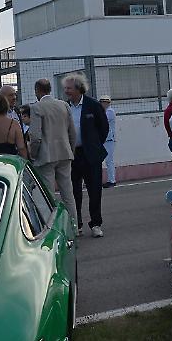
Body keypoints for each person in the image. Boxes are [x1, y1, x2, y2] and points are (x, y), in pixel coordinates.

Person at [64, 74, 110, 237]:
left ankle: (96, 224)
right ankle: (77, 224)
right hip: (72, 155)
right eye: (65, 88)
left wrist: (95, 145)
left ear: (78, 88)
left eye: (68, 88)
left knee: (94, 190)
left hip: (91, 155)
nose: (66, 91)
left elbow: (103, 128)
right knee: (73, 191)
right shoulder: (65, 107)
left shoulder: (93, 105)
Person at [28, 78, 78, 221]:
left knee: (48, 196)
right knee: (68, 194)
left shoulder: (36, 107)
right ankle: (73, 226)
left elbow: (36, 136)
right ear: (50, 89)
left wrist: (33, 154)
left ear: (37, 90)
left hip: (46, 156)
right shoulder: (63, 105)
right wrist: (71, 150)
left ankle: (52, 227)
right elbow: (72, 132)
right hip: (64, 153)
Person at [99, 96, 117, 187]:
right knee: (103, 160)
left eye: (103, 102)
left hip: (109, 140)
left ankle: (112, 180)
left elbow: (101, 121)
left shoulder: (110, 112)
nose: (102, 103)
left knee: (109, 160)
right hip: (104, 140)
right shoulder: (104, 112)